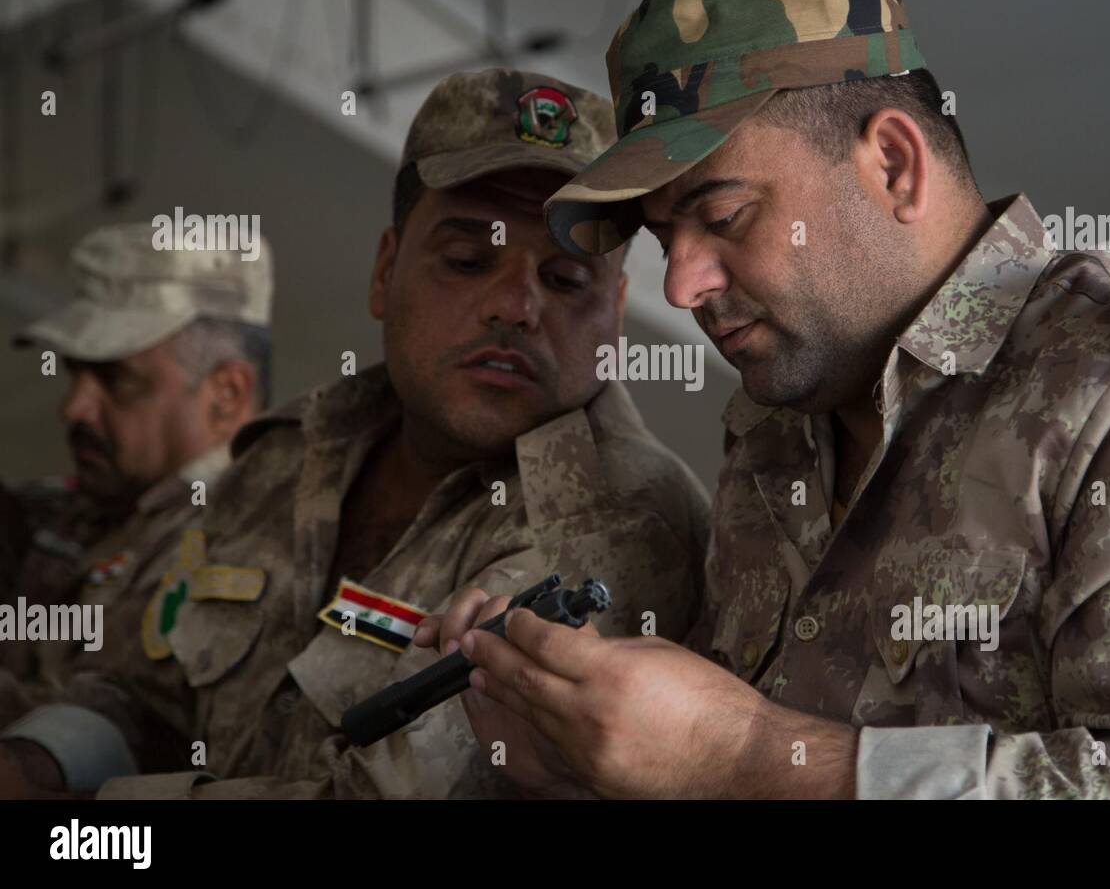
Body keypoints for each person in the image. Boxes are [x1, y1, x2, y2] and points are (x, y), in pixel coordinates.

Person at [433, 0, 1110, 799]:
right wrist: (585, 775)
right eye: (665, 238)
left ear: (893, 165)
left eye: (724, 215)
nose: (683, 283)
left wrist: (739, 755)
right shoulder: (775, 437)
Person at [92, 68, 709, 799]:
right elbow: (140, 683)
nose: (515, 305)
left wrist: (87, 822)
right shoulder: (293, 450)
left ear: (614, 311)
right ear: (386, 272)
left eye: (567, 279)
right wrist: (46, 755)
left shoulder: (622, 522)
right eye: (468, 260)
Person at [0, 223, 273, 792]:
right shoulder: (82, 507)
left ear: (226, 394)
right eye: (75, 374)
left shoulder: (264, 541)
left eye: (116, 381)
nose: (73, 408)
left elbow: (141, 717)